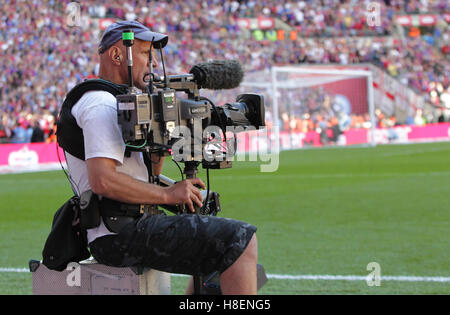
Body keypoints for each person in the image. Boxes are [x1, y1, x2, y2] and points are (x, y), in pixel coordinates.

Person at [57, 20, 258, 295]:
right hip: (119, 234)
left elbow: (144, 170)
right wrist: (169, 195)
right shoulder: (100, 102)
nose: (152, 62)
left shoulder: (124, 101)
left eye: (153, 56)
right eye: (144, 54)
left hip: (130, 225)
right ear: (118, 55)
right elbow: (103, 180)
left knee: (222, 248)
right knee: (241, 239)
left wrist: (164, 138)